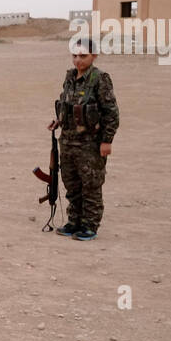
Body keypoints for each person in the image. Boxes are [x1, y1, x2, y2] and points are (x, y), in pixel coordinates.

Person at [48, 36, 120, 240]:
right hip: (68, 142)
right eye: (75, 55)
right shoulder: (70, 77)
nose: (78, 60)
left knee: (91, 185)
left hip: (90, 144)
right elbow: (67, 104)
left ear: (94, 56)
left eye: (83, 56)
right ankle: (74, 221)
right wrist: (58, 120)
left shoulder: (99, 79)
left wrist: (107, 140)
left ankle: (89, 226)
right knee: (72, 184)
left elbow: (111, 112)